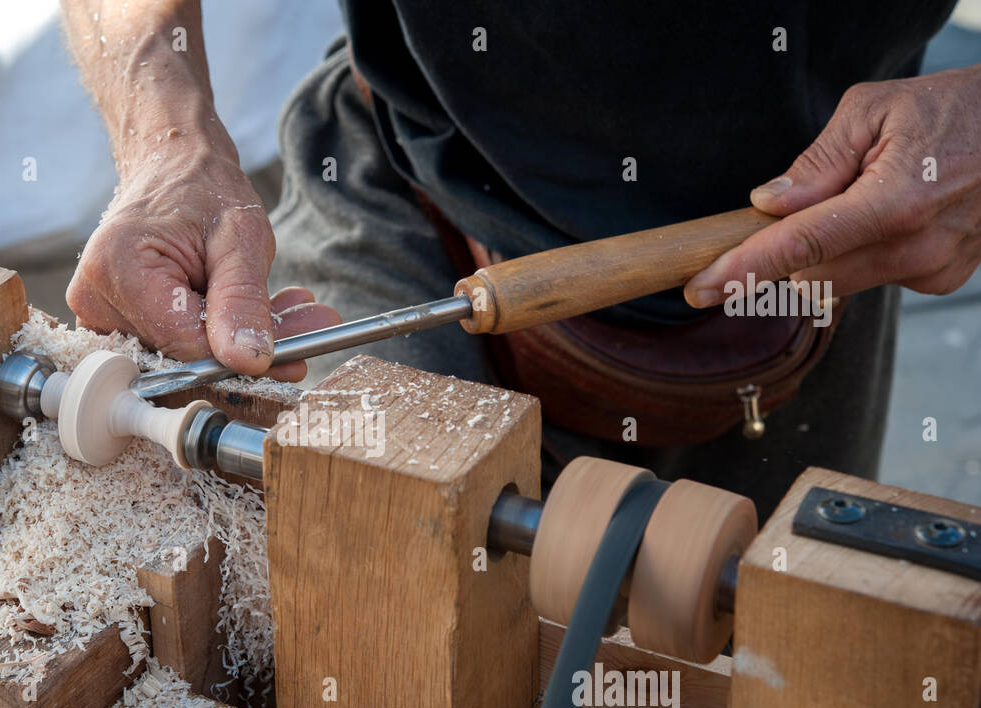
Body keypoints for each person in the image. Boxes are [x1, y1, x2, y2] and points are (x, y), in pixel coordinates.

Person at [59, 0, 979, 516]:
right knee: (369, 588)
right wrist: (166, 139)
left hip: (826, 242)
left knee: (769, 690)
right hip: (422, 186)